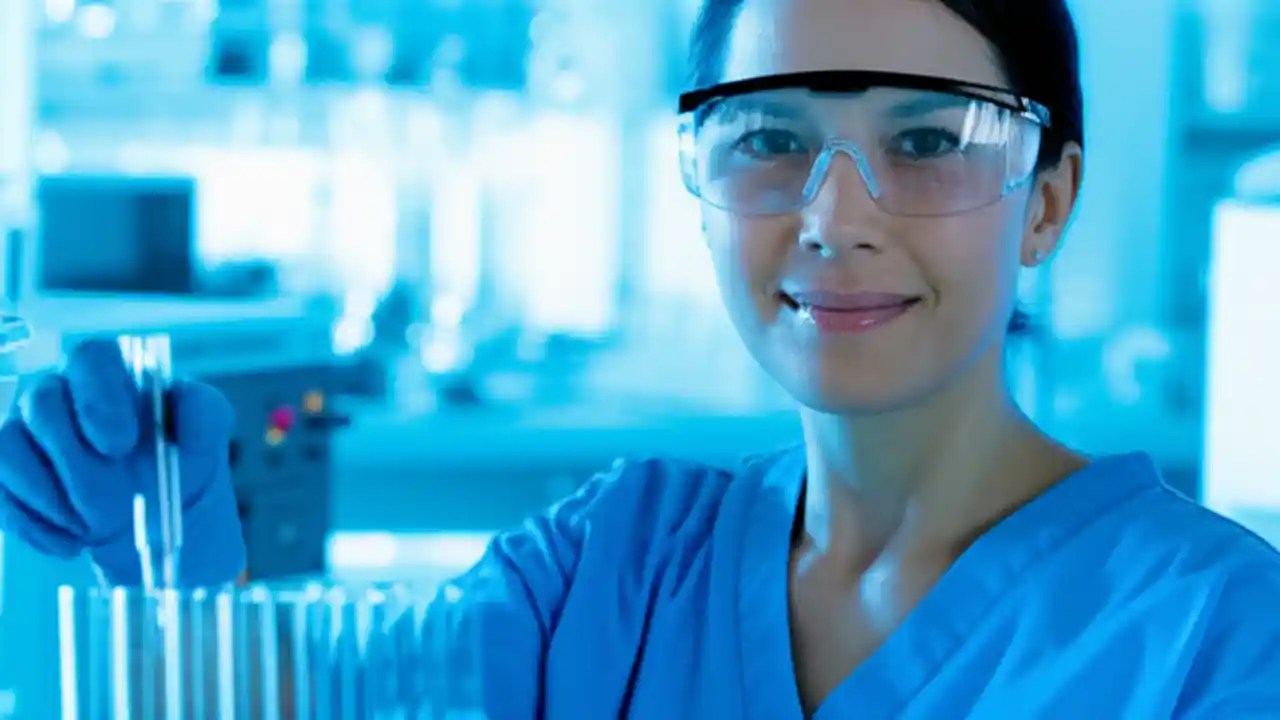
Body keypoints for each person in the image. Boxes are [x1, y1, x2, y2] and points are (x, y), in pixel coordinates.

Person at [3, 0, 1279, 717]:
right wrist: (177, 577)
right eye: (767, 136)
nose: (834, 214)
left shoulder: (1214, 637)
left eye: (930, 140)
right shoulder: (608, 567)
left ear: (1045, 201)